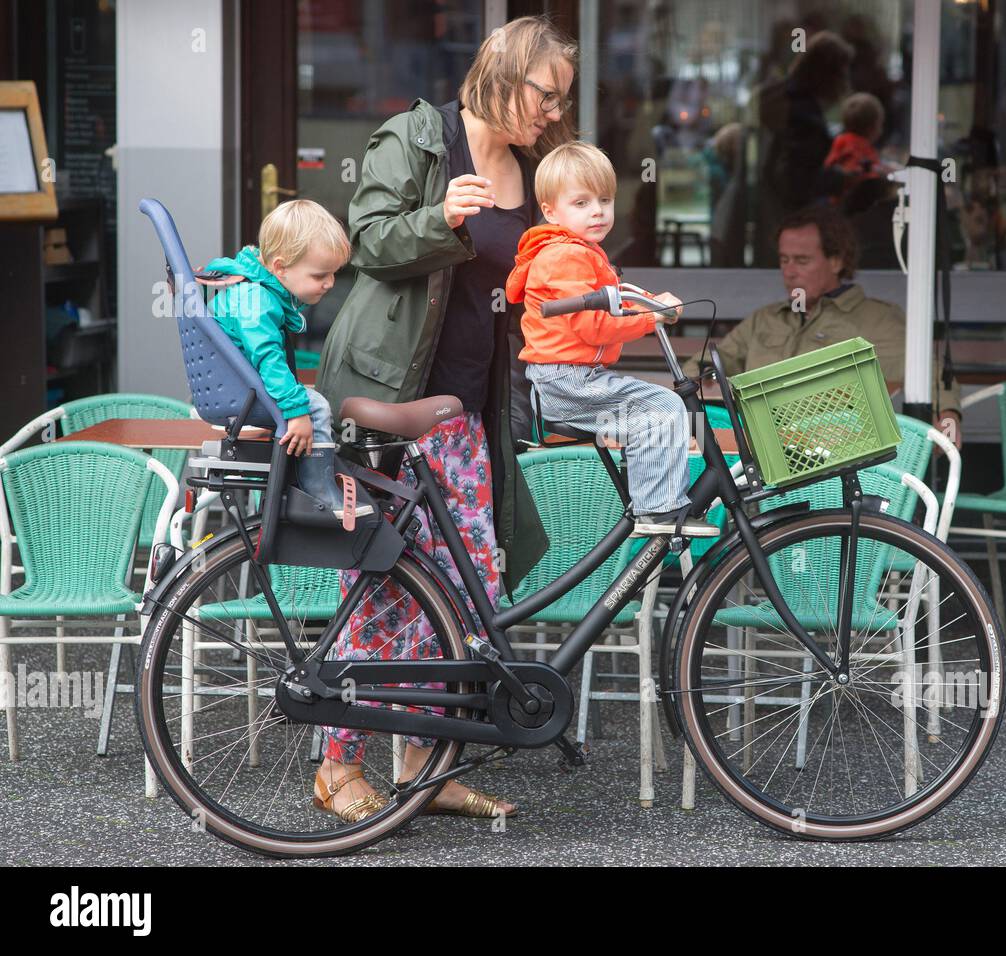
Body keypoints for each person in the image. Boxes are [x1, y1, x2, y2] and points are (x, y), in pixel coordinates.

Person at [313, 16, 578, 823]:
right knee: (381, 582)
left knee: (462, 590)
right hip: (393, 399)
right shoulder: (421, 139)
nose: (555, 114)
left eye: (564, 101)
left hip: (470, 409)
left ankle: (425, 765)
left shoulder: (531, 169)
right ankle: (336, 765)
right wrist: (445, 221)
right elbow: (367, 242)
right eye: (547, 94)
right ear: (503, 73)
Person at [507, 141, 717, 537]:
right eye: (581, 202)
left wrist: (651, 303)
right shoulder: (565, 257)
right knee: (663, 409)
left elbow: (617, 298)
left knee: (656, 412)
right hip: (567, 381)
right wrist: (652, 317)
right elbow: (593, 325)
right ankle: (657, 511)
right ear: (551, 211)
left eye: (605, 199)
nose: (598, 211)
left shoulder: (581, 253)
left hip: (568, 379)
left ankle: (656, 507)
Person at [684, 205, 962, 445]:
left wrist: (947, 414)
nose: (789, 272)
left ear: (837, 261)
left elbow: (929, 372)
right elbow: (713, 360)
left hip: (830, 460)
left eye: (802, 261)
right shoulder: (766, 318)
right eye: (784, 260)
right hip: (755, 454)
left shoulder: (876, 319)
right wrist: (696, 379)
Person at [203, 199, 372, 521]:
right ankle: (317, 492)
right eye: (320, 274)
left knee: (309, 402)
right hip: (239, 394)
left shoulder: (254, 291)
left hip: (235, 389)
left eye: (334, 274)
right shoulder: (256, 300)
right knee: (316, 406)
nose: (330, 283)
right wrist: (295, 412)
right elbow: (268, 358)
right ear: (280, 267)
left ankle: (299, 480)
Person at [823, 92, 885, 202]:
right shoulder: (860, 147)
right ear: (872, 128)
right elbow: (865, 174)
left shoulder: (841, 141)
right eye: (880, 124)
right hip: (851, 207)